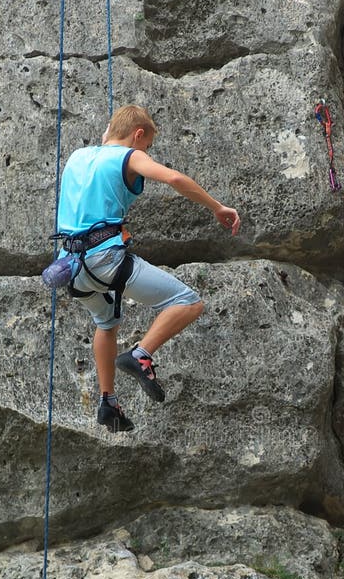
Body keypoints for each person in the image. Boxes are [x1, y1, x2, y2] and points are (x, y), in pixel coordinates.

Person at [56, 104, 241, 432]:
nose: (146, 154)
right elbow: (172, 178)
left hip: (69, 268)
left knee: (106, 322)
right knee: (188, 301)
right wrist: (217, 207)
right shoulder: (129, 156)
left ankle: (108, 400)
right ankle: (140, 355)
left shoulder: (77, 156)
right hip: (105, 261)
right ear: (138, 135)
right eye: (148, 146)